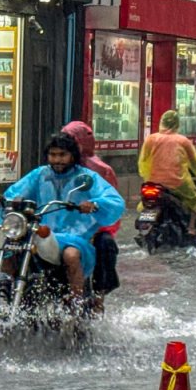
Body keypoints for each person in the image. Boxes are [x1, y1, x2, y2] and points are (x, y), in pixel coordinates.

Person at [0, 133, 125, 301]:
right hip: (41, 232)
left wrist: (94, 204)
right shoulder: (39, 175)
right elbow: (15, 194)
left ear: (72, 156)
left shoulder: (86, 177)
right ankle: (7, 291)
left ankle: (75, 305)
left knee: (71, 256)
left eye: (62, 155)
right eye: (53, 155)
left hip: (75, 237)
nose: (57, 159)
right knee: (11, 248)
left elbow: (114, 201)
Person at [61, 121, 120, 308]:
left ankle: (98, 297)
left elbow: (112, 208)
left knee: (105, 245)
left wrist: (97, 228)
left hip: (92, 229)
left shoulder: (102, 171)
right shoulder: (55, 168)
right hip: (59, 226)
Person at [138, 110, 196, 238]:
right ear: (177, 124)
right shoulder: (183, 141)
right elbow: (195, 164)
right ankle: (192, 228)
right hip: (178, 183)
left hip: (153, 183)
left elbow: (143, 161)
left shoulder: (150, 139)